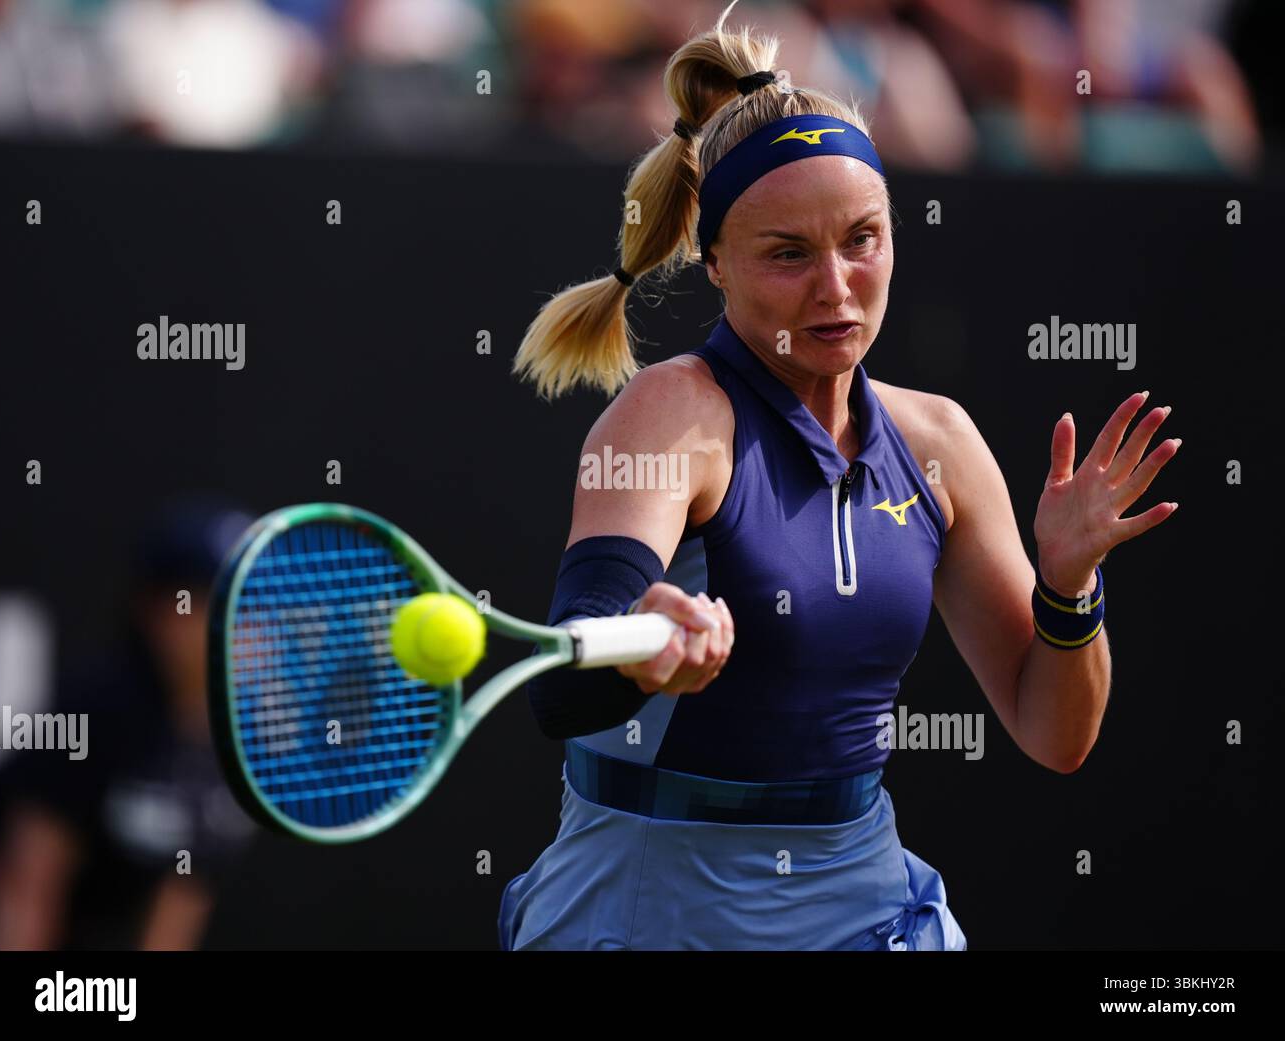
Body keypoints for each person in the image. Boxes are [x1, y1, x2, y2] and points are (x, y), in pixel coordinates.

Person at [501, 0, 1178, 951]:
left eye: (862, 238)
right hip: (652, 910)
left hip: (864, 905)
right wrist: (642, 647)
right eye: (787, 254)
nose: (836, 286)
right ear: (717, 267)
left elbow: (1054, 733)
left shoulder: (937, 438)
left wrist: (1069, 587)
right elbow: (561, 682)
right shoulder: (674, 412)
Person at [0, 497, 257, 950]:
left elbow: (182, 897)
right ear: (157, 612)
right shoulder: (93, 714)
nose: (242, 624)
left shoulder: (241, 737)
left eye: (251, 602)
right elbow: (25, 891)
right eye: (215, 601)